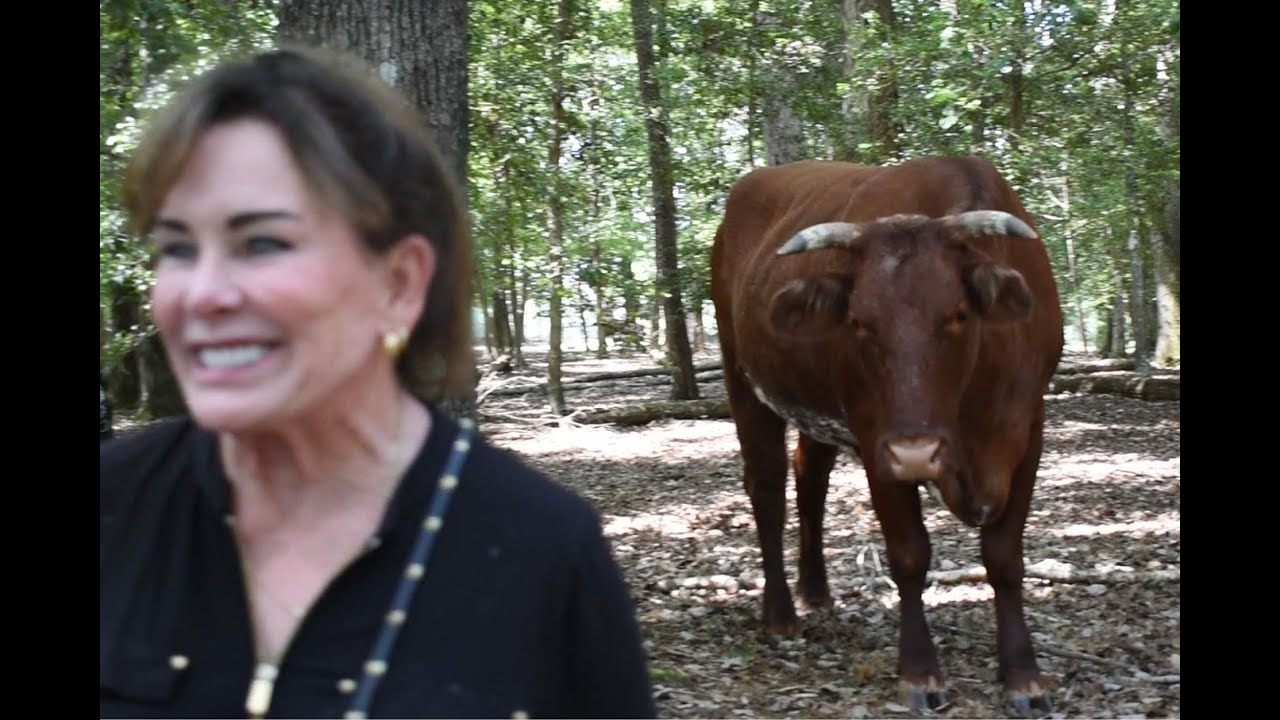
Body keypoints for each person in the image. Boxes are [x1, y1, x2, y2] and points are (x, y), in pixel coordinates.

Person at [100, 44, 657, 719]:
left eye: (263, 243)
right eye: (178, 248)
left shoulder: (543, 552)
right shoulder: (115, 505)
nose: (202, 294)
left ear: (399, 283)